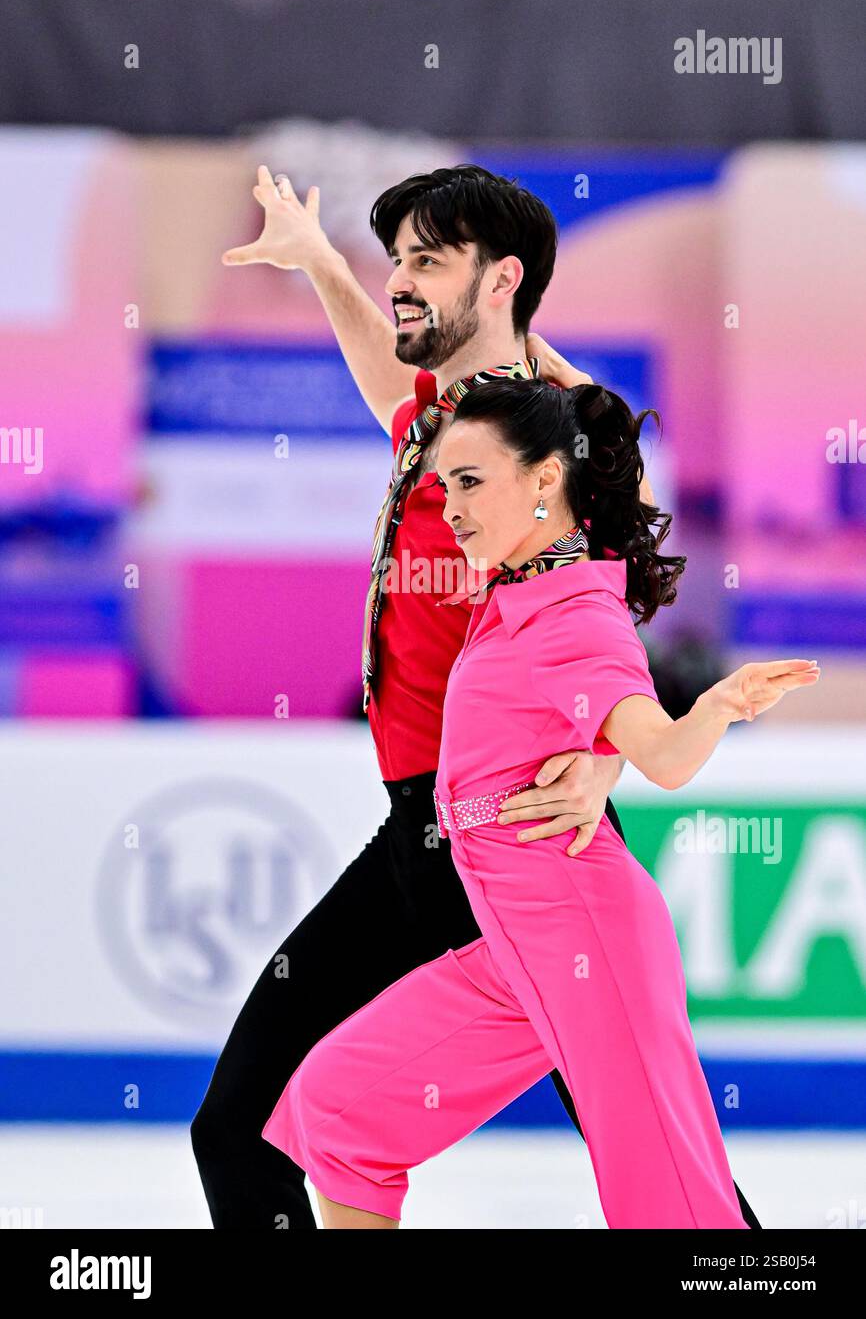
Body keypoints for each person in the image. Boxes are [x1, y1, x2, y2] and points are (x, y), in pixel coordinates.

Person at [192, 163, 760, 1229]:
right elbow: (383, 376)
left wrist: (600, 750)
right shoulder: (439, 421)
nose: (399, 280)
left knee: (650, 1149)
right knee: (242, 1124)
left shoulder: (557, 437)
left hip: (523, 833)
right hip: (420, 831)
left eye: (423, 260)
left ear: (500, 280)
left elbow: (611, 588)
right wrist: (321, 265)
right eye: (394, 258)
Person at [260, 377, 820, 1228]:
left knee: (672, 1209)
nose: (449, 508)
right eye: (444, 485)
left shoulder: (576, 613)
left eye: (472, 482)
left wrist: (714, 707)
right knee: (337, 1111)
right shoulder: (519, 591)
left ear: (547, 480)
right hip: (514, 943)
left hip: (585, 932)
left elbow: (662, 755)